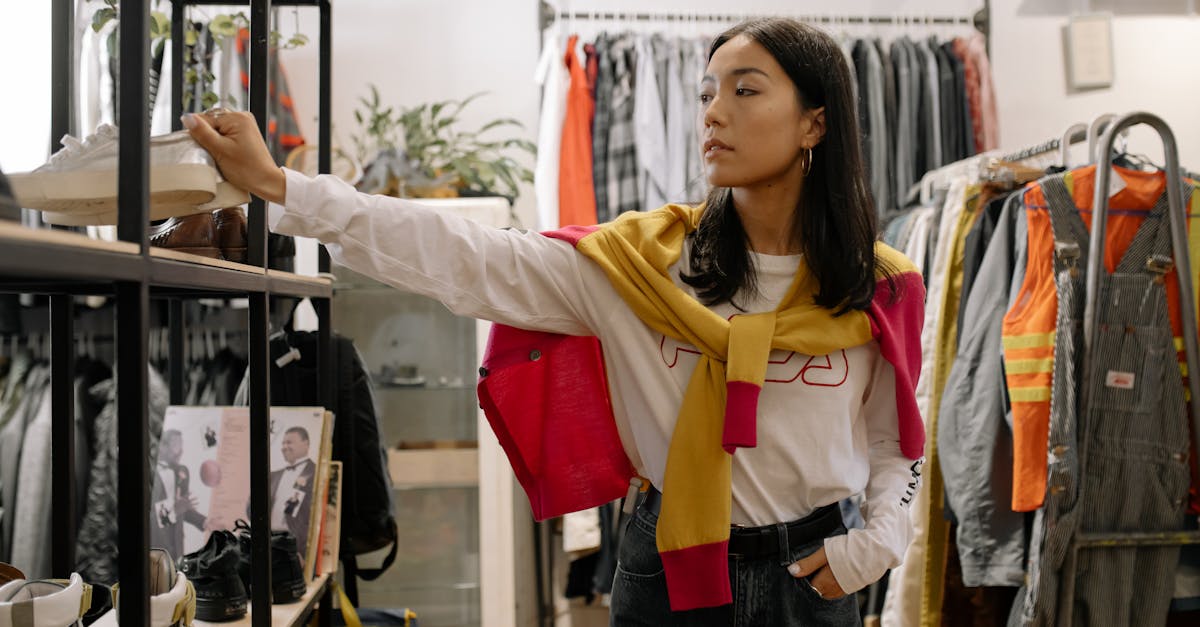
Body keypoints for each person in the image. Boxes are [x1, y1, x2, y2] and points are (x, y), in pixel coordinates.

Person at [185, 17, 925, 626]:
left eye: (745, 90)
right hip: (666, 567)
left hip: (814, 572)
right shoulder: (642, 266)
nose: (712, 112)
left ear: (815, 122)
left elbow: (897, 440)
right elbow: (466, 256)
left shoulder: (881, 285)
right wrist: (284, 188)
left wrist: (880, 542)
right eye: (707, 93)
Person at [151, 429, 206, 560]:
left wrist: (205, 522)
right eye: (176, 445)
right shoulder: (148, 473)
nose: (180, 450)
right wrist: (173, 510)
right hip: (154, 546)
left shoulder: (182, 472)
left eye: (181, 445)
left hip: (176, 547)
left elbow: (183, 509)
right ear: (162, 447)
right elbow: (147, 515)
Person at [268, 426, 317, 547]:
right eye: (283, 443)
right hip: (268, 542)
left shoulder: (316, 472)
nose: (284, 447)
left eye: (289, 442)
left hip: (297, 545)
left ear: (306, 444)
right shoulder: (273, 475)